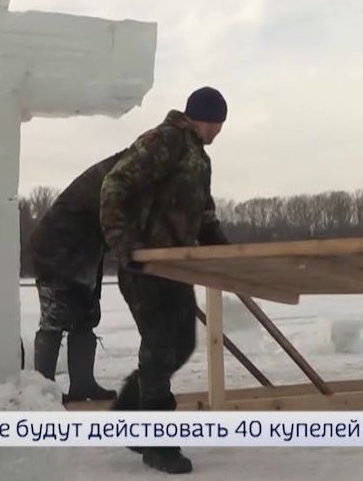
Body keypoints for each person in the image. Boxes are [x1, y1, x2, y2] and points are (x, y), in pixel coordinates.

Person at [100, 87, 230, 475]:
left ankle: (127, 416)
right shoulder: (164, 141)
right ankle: (158, 443)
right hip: (145, 265)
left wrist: (225, 255)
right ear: (206, 118)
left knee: (182, 344)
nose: (220, 131)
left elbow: (203, 216)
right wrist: (126, 245)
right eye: (219, 123)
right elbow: (114, 185)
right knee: (158, 347)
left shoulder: (198, 158)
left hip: (176, 266)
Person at [29, 150, 130, 404]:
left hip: (83, 251)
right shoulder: (121, 174)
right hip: (55, 248)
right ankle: (43, 390)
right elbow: (117, 220)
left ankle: (83, 384)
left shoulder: (130, 171)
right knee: (54, 317)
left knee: (85, 316)